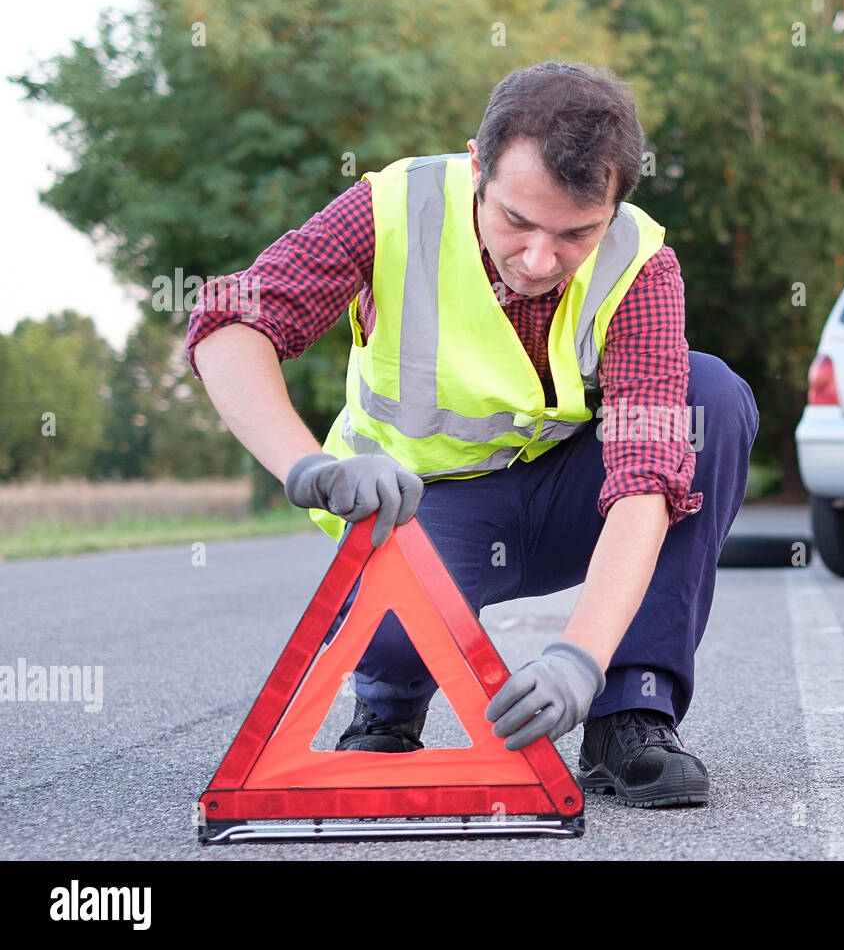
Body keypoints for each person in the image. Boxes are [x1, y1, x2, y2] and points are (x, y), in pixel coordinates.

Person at [186, 61, 759, 808]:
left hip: (561, 497)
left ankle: (631, 713)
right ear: (476, 165)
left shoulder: (640, 264)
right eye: (517, 221)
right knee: (392, 638)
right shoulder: (395, 207)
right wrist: (308, 468)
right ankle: (388, 703)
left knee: (709, 395)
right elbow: (229, 324)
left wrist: (580, 660)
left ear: (614, 205)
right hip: (416, 506)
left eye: (575, 234)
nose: (539, 260)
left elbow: (648, 474)